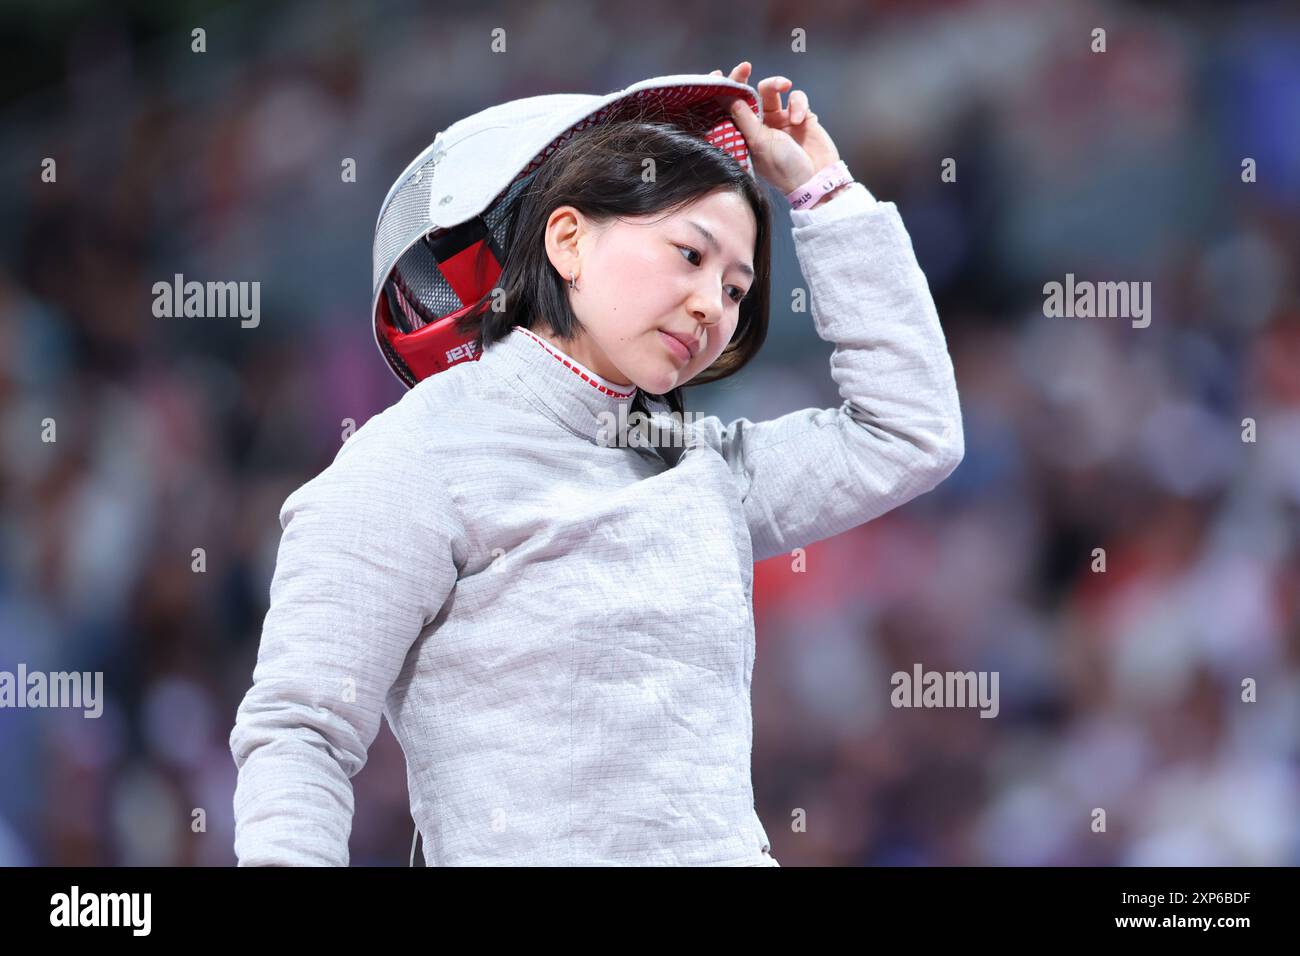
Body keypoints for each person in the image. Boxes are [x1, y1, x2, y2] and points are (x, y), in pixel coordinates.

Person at [229, 62, 965, 866]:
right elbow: (302, 732)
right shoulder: (415, 458)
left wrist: (824, 195)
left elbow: (909, 431)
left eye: (735, 288)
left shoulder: (706, 470)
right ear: (569, 240)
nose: (712, 308)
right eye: (690, 255)